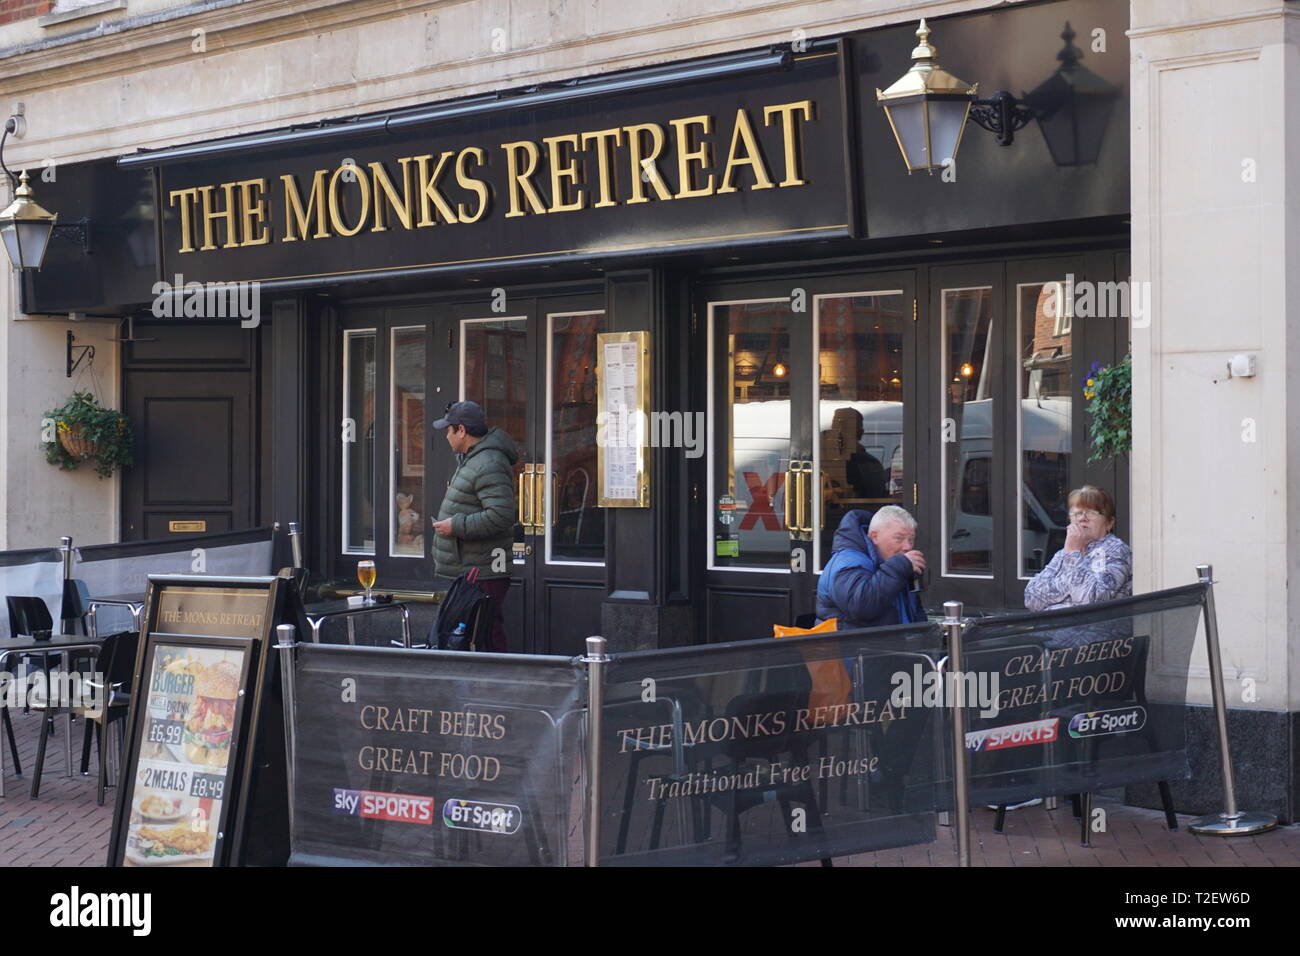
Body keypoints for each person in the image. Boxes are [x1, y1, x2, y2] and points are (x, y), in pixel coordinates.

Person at [430, 400, 518, 653]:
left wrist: (455, 525)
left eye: (449, 430)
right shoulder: (474, 458)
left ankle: (495, 687)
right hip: (474, 568)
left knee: (485, 632)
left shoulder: (488, 461)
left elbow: (501, 515)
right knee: (478, 631)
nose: (446, 436)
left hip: (482, 570)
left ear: (461, 430)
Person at [1024, 484, 1131, 611]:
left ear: (1109, 523)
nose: (1082, 519)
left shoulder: (1116, 550)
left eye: (1091, 513)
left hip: (1093, 629)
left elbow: (1090, 601)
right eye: (1077, 513)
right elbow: (1031, 599)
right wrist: (1070, 591)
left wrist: (1073, 556)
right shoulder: (1063, 552)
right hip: (1054, 627)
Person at [816, 505, 925, 629]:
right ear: (874, 537)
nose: (907, 546)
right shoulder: (848, 561)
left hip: (894, 644)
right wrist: (899, 567)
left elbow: (914, 613)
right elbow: (861, 607)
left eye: (911, 540)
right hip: (849, 646)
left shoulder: (895, 564)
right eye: (898, 538)